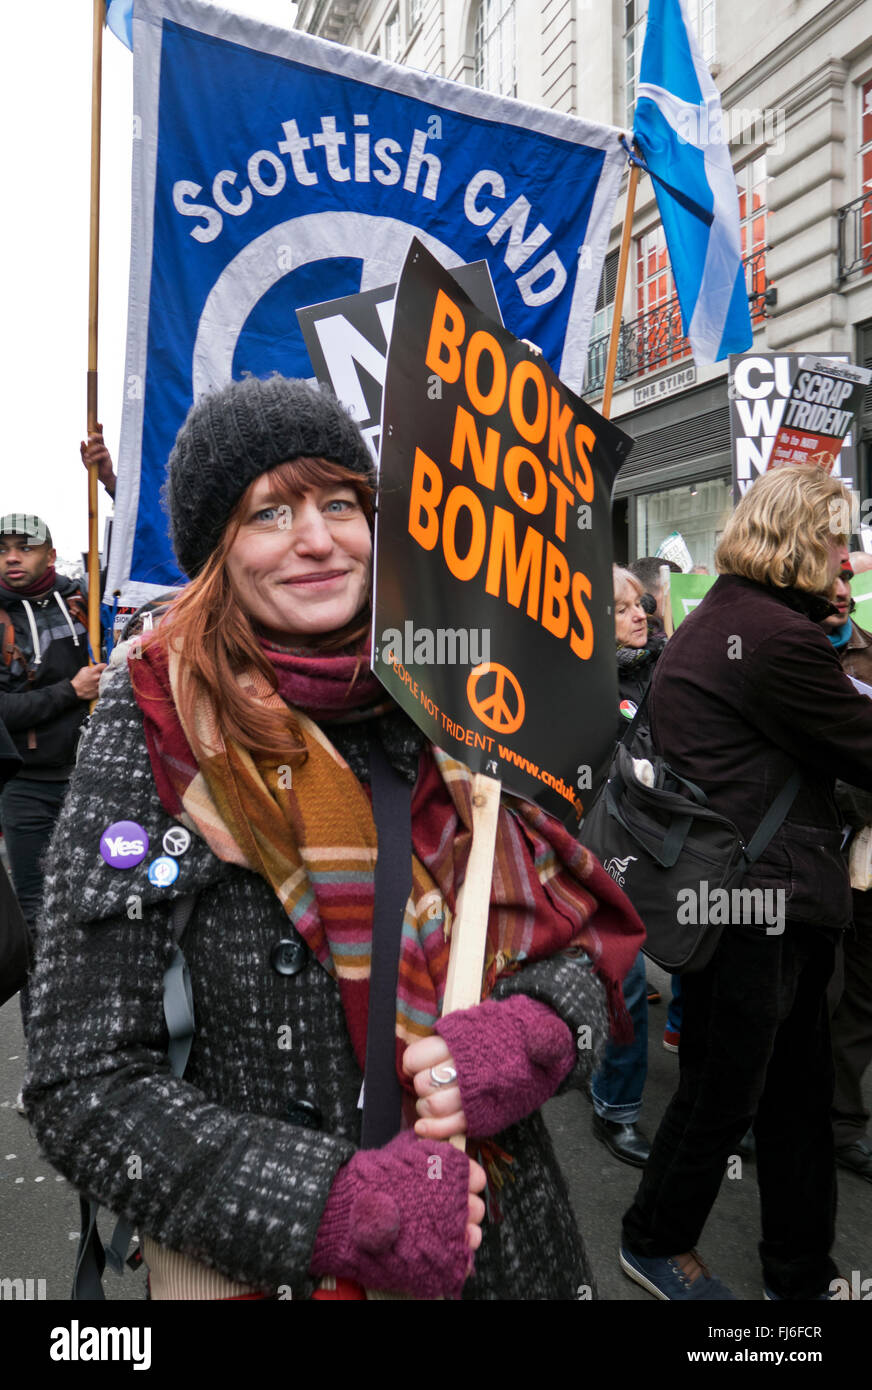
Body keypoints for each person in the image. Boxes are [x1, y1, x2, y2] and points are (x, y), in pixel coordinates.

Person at [25, 375, 643, 1300]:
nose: (315, 539)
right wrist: (339, 1210)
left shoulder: (461, 686)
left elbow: (581, 941)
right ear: (216, 551)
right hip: (283, 1269)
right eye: (268, 514)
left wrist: (539, 1034)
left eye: (340, 504)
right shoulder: (154, 715)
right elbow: (83, 1078)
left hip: (501, 1244)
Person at [620, 465, 872, 1302]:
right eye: (835, 540)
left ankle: (799, 1272)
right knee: (727, 1095)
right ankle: (655, 1241)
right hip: (761, 901)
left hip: (757, 898)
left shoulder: (732, 618)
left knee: (790, 1096)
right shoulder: (773, 638)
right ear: (799, 540)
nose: (845, 559)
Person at [0, 516, 105, 1002]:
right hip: (25, 788)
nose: (12, 557)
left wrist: (112, 483)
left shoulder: (86, 602)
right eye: (3, 549)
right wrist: (71, 691)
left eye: (25, 547)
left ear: (50, 553)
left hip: (93, 779)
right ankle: (43, 1025)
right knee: (37, 917)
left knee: (101, 901)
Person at [590, 566, 665, 1167]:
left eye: (639, 603)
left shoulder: (669, 666)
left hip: (668, 842)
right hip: (604, 844)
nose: (639, 614)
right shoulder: (578, 681)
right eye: (620, 609)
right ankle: (615, 1107)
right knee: (628, 977)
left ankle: (718, 1114)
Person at [821, 558, 872, 1184]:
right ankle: (762, 1111)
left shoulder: (868, 653)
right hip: (795, 863)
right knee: (804, 995)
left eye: (848, 579)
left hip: (862, 859)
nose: (842, 591)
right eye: (828, 577)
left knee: (859, 996)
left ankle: (843, 1125)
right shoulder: (777, 651)